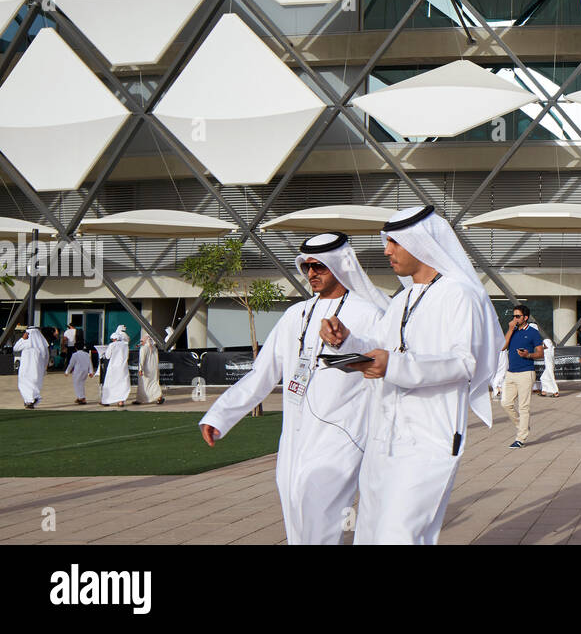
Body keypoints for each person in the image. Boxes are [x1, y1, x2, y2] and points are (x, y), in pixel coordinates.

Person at [324, 206, 501, 545]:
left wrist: (394, 366)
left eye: (394, 242)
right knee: (371, 534)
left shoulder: (459, 294)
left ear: (421, 243)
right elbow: (380, 346)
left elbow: (464, 362)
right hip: (383, 437)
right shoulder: (402, 299)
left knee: (399, 535)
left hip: (430, 437)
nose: (386, 250)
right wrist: (344, 339)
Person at [199, 232, 388, 544]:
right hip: (294, 438)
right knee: (296, 515)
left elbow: (380, 359)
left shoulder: (369, 313)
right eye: (306, 267)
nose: (311, 273)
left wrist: (348, 342)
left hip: (342, 435)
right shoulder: (294, 314)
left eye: (319, 267)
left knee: (321, 519)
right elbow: (262, 374)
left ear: (339, 265)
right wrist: (219, 417)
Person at [499, 304, 543, 448]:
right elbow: (503, 346)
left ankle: (521, 438)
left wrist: (528, 354)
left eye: (517, 316)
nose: (515, 319)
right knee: (505, 403)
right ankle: (522, 426)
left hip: (526, 372)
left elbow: (540, 353)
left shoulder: (533, 333)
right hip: (511, 373)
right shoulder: (513, 330)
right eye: (513, 316)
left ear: (525, 318)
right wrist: (511, 329)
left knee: (523, 406)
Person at [14, 324, 48, 408]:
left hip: (26, 368)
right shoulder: (42, 345)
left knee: (24, 384)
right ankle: (31, 399)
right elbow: (46, 357)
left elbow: (15, 348)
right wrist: (44, 367)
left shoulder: (25, 342)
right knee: (34, 384)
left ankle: (30, 400)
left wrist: (22, 338)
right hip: (37, 369)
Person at [100, 325, 131, 407]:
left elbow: (107, 356)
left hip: (113, 367)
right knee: (122, 384)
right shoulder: (125, 345)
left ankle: (107, 400)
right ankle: (121, 401)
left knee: (110, 384)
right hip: (123, 367)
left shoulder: (112, 345)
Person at [136, 329, 164, 405]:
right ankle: (158, 397)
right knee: (154, 383)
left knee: (144, 384)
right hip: (154, 369)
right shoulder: (154, 349)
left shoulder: (143, 348)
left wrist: (140, 369)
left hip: (146, 369)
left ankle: (143, 399)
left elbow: (141, 360)